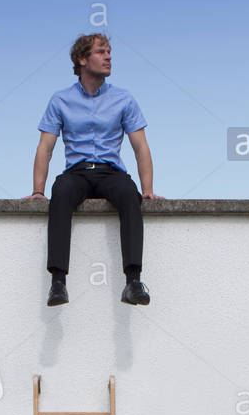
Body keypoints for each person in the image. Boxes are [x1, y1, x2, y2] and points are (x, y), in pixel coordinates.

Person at [24, 33, 163, 306]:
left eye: (109, 51)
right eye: (101, 52)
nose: (108, 56)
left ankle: (133, 281)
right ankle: (58, 283)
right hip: (76, 173)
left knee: (129, 194)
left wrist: (147, 190)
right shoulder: (60, 100)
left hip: (111, 173)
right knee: (60, 193)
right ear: (82, 59)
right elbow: (45, 147)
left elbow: (141, 147)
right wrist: (37, 190)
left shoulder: (124, 99)